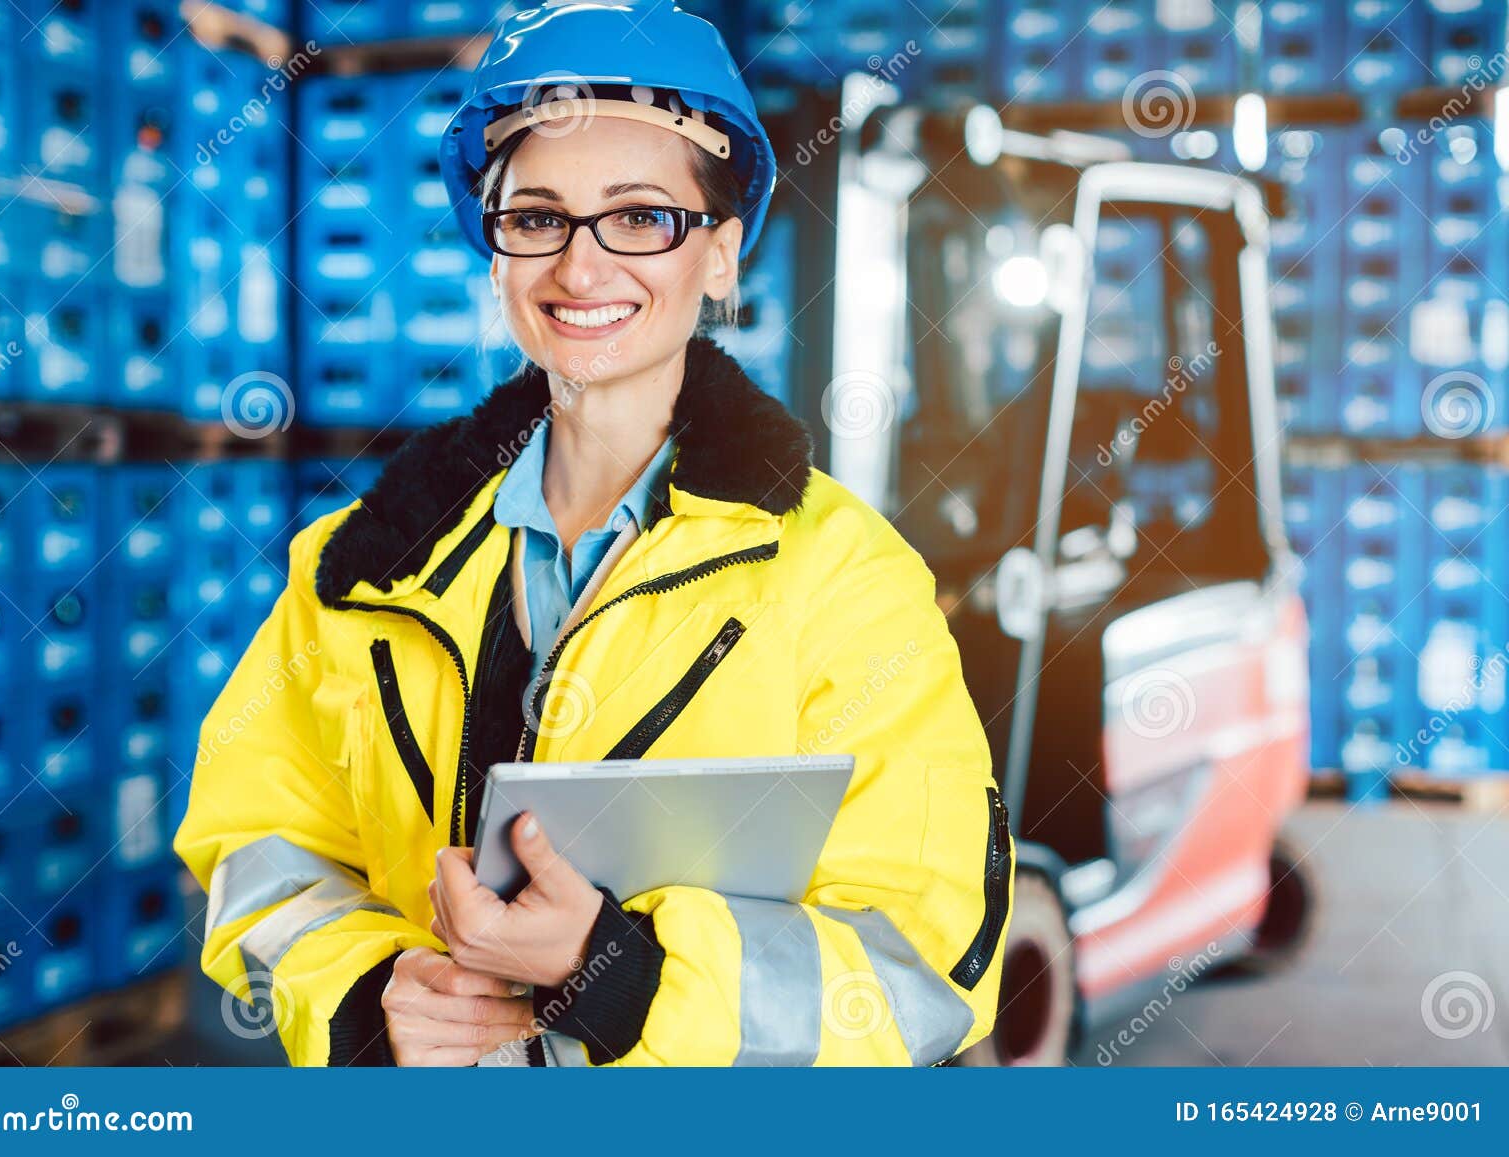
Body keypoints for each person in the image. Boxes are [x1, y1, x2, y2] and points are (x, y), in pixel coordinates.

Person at [174, 0, 1015, 1068]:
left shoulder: (845, 579)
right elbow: (258, 851)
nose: (580, 268)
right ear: (494, 252)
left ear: (721, 252)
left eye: (640, 217)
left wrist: (622, 974)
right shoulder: (358, 571)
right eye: (537, 218)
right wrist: (365, 995)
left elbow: (925, 964)